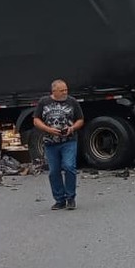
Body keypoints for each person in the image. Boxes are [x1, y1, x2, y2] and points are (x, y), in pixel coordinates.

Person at [34, 79, 85, 210]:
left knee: (69, 167)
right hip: (50, 143)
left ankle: (71, 198)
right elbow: (36, 120)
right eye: (62, 90)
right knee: (54, 171)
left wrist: (72, 128)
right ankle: (59, 200)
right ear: (54, 91)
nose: (65, 92)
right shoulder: (44, 102)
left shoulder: (72, 101)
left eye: (66, 90)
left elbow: (80, 119)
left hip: (69, 141)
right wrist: (48, 129)